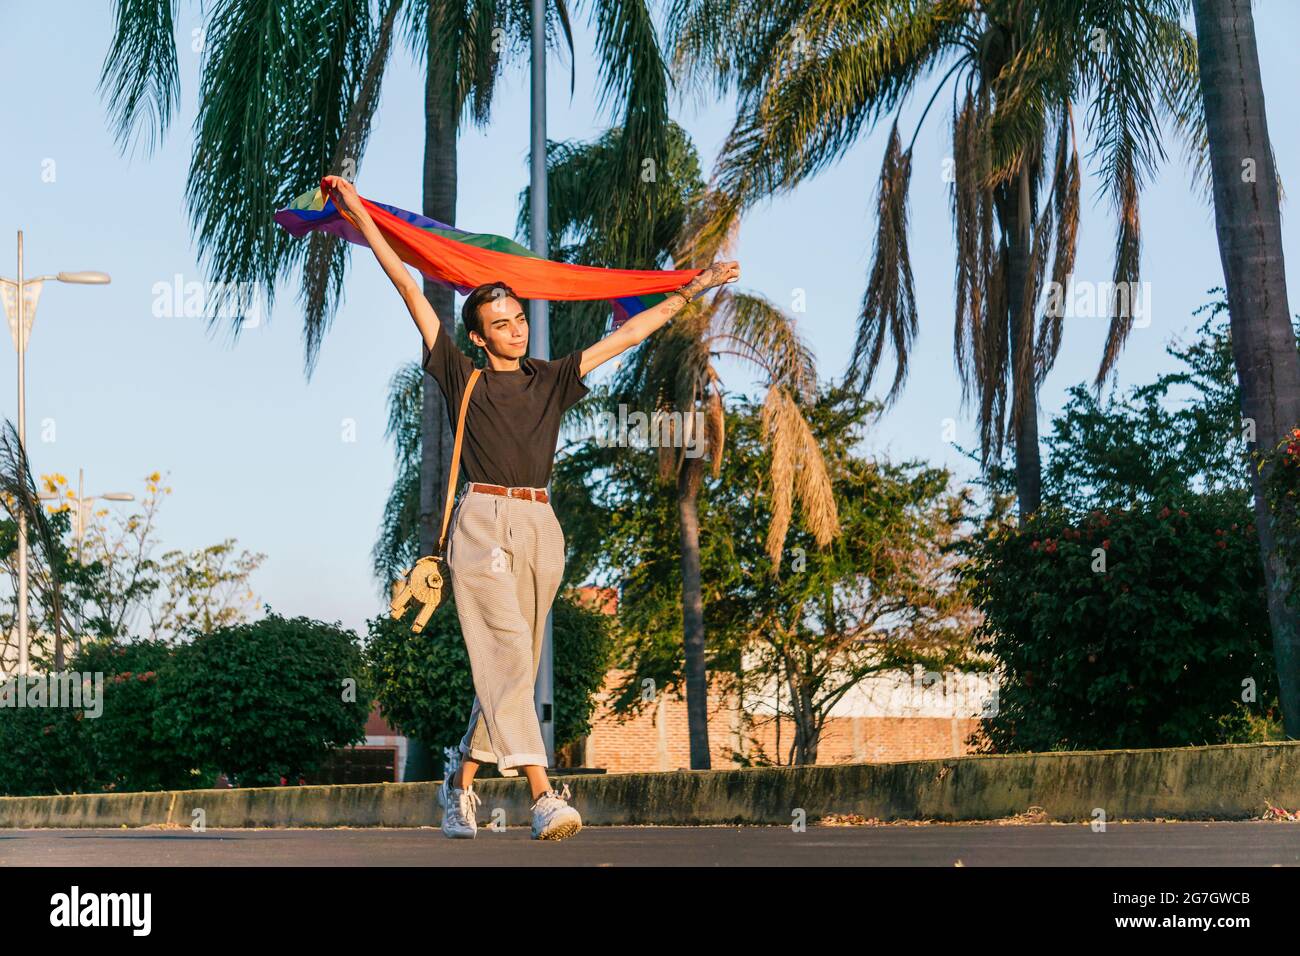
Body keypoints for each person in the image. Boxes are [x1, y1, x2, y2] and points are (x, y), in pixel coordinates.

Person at [322, 175, 739, 840]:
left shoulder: (552, 378)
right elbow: (406, 284)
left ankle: (459, 781)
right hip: (483, 520)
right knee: (510, 652)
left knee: (516, 661)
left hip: (542, 525)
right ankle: (543, 794)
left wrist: (691, 289)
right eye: (500, 325)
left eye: (518, 318)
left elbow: (628, 335)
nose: (515, 330)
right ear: (479, 337)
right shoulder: (460, 373)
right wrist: (357, 212)